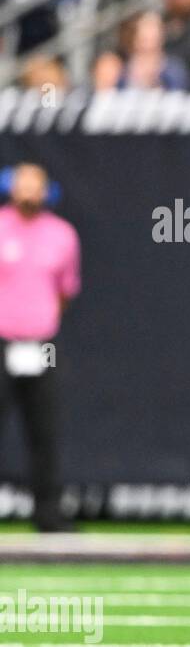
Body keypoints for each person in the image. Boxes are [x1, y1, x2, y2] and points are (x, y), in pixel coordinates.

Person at [0, 163, 79, 533]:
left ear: (47, 190)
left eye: (36, 185)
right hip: (1, 342)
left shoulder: (62, 235)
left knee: (44, 432)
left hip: (41, 343)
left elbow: (65, 292)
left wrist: (39, 320)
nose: (29, 191)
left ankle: (48, 515)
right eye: (23, 184)